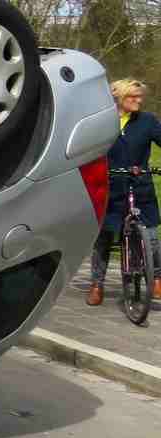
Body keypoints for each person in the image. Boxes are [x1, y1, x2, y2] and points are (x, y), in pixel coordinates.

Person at [88, 78, 161, 306]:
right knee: (104, 237)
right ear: (119, 97)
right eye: (133, 96)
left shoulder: (147, 121)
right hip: (110, 188)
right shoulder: (102, 122)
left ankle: (157, 278)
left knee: (151, 236)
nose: (139, 100)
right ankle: (97, 284)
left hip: (140, 186)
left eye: (140, 96)